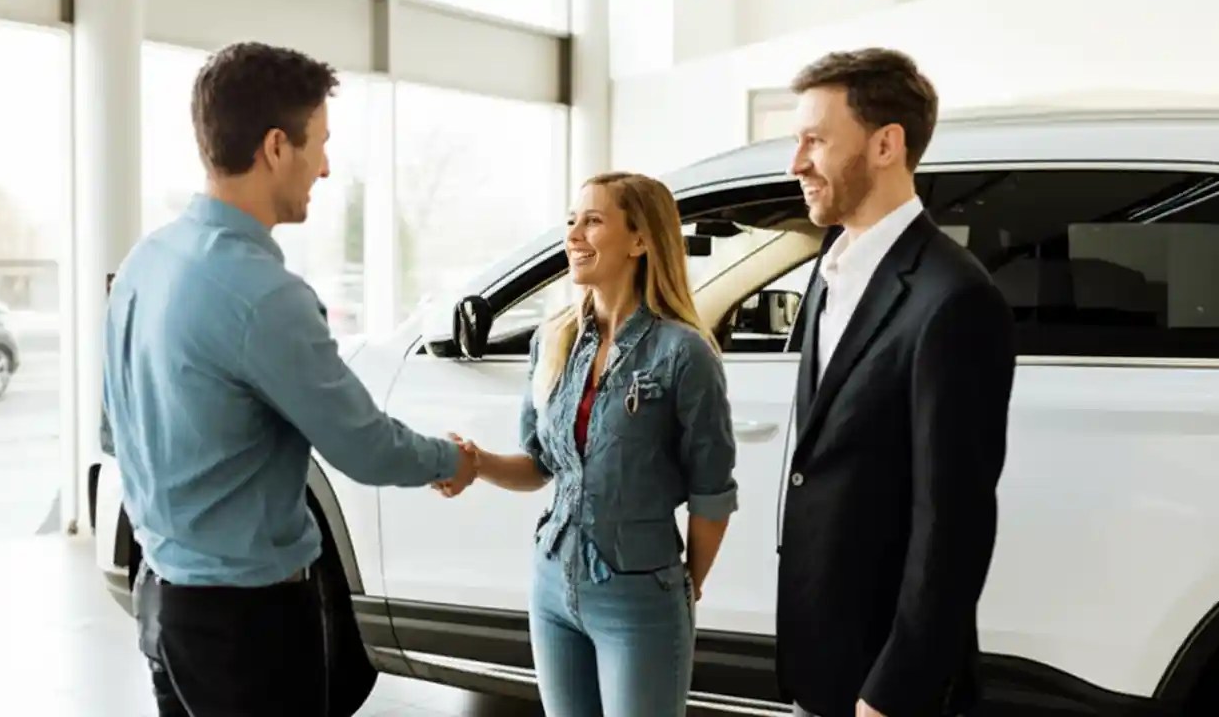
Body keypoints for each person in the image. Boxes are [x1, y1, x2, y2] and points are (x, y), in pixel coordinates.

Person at [100, 42, 477, 717]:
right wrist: (451, 458)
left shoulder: (143, 264)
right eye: (319, 143)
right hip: (249, 629)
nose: (326, 167)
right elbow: (363, 446)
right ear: (277, 146)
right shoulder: (264, 297)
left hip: (162, 603)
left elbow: (113, 427)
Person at [443, 172, 738, 717]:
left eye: (594, 221)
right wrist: (478, 462)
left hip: (640, 594)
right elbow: (539, 465)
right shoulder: (552, 340)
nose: (574, 234)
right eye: (571, 220)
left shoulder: (684, 354)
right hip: (552, 585)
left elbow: (712, 494)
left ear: (641, 240)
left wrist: (681, 590)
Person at [777, 48, 1016, 717]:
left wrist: (893, 691)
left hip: (886, 688)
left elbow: (955, 525)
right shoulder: (834, 267)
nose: (796, 163)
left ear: (886, 144)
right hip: (821, 664)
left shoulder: (954, 299)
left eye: (816, 141)